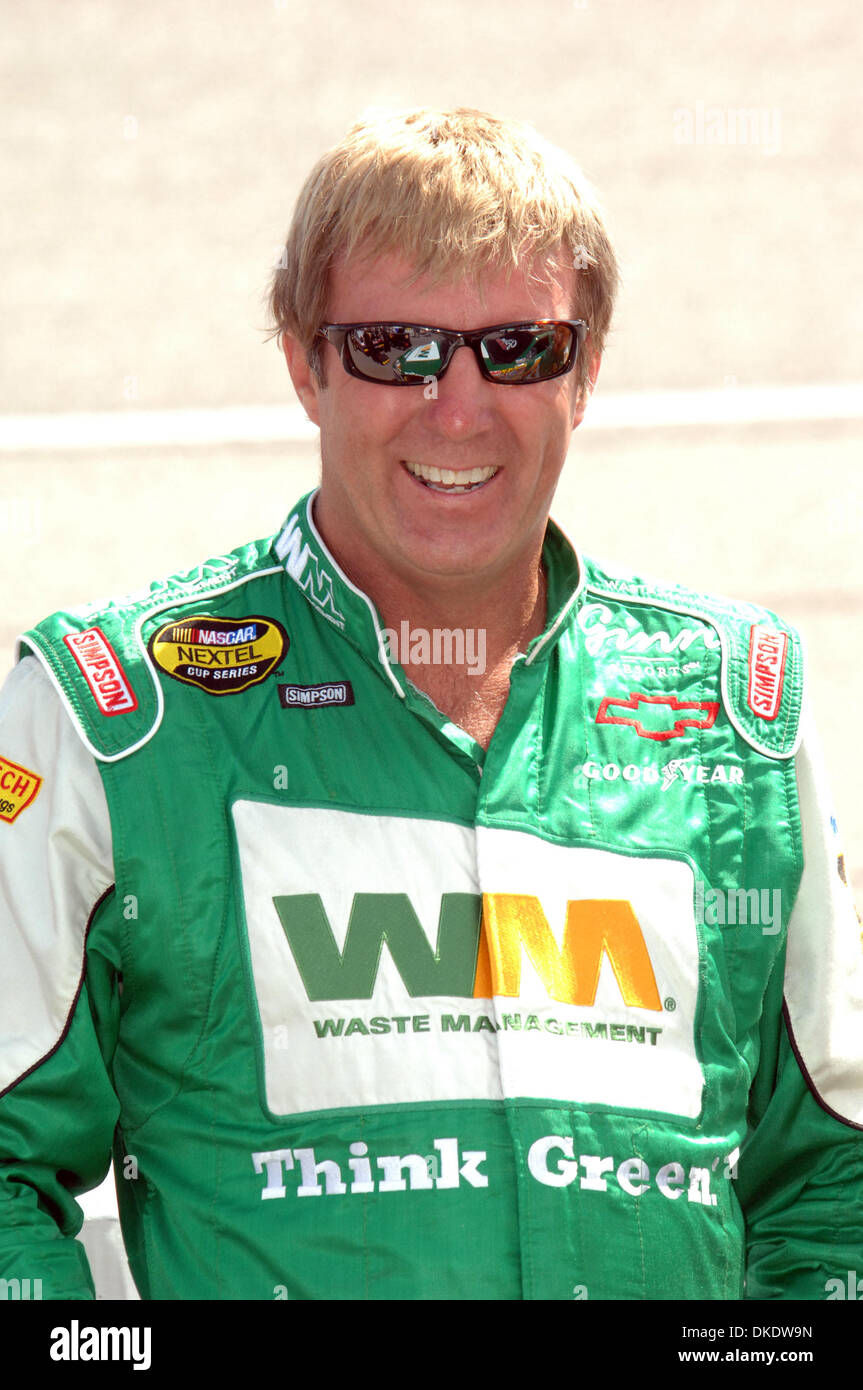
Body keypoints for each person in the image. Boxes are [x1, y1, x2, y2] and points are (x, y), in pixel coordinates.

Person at [1, 107, 861, 1303]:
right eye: (394, 347)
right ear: (304, 362)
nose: (456, 408)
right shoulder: (115, 711)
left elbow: (832, 1191)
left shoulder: (735, 713)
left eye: (518, 349)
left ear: (587, 370)